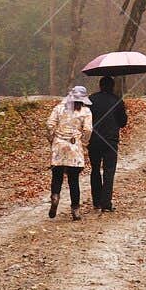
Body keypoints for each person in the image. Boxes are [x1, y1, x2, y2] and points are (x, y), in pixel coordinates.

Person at [46, 84, 93, 220]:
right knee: (73, 180)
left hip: (59, 145)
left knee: (57, 175)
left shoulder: (59, 108)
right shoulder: (85, 112)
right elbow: (88, 130)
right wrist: (84, 142)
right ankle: (75, 210)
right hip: (74, 146)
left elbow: (50, 124)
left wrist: (52, 139)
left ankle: (55, 196)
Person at [86, 75, 127, 213]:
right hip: (110, 140)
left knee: (95, 169)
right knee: (109, 171)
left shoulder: (91, 100)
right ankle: (106, 203)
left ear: (100, 85)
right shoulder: (117, 100)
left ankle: (96, 201)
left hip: (94, 140)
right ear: (112, 86)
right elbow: (123, 122)